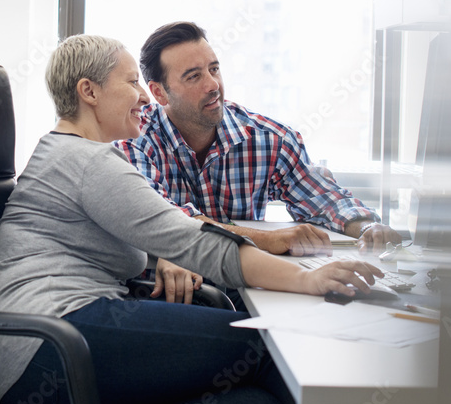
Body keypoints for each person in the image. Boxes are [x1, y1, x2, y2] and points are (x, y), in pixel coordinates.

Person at [0, 34, 384, 404]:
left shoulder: (76, 155)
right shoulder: (88, 163)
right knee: (270, 348)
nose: (142, 96)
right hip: (49, 346)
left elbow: (164, 233)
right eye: (131, 82)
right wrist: (308, 280)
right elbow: (192, 239)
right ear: (89, 91)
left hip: (58, 340)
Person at [116, 21, 403, 257]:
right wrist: (267, 239)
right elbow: (168, 221)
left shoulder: (269, 140)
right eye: (193, 77)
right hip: (173, 290)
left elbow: (322, 198)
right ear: (159, 92)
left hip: (251, 285)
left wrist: (366, 228)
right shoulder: (134, 138)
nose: (213, 85)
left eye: (214, 69)